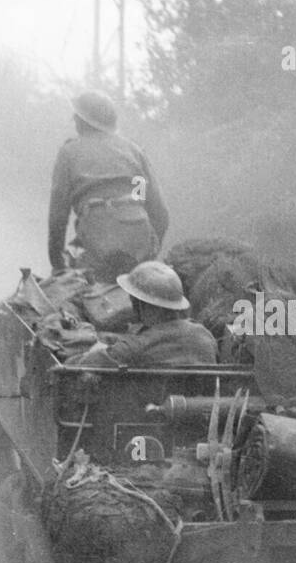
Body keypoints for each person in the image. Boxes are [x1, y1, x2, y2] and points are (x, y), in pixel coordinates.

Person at [47, 90, 170, 279]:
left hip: (98, 244)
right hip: (140, 243)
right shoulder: (133, 151)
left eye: (76, 117)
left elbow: (58, 216)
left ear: (82, 122)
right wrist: (150, 254)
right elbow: (159, 212)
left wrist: (57, 264)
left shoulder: (69, 152)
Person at [70, 260, 216, 368]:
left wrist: (98, 348)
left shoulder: (135, 347)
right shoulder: (205, 336)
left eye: (134, 302)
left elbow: (74, 366)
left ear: (142, 305)